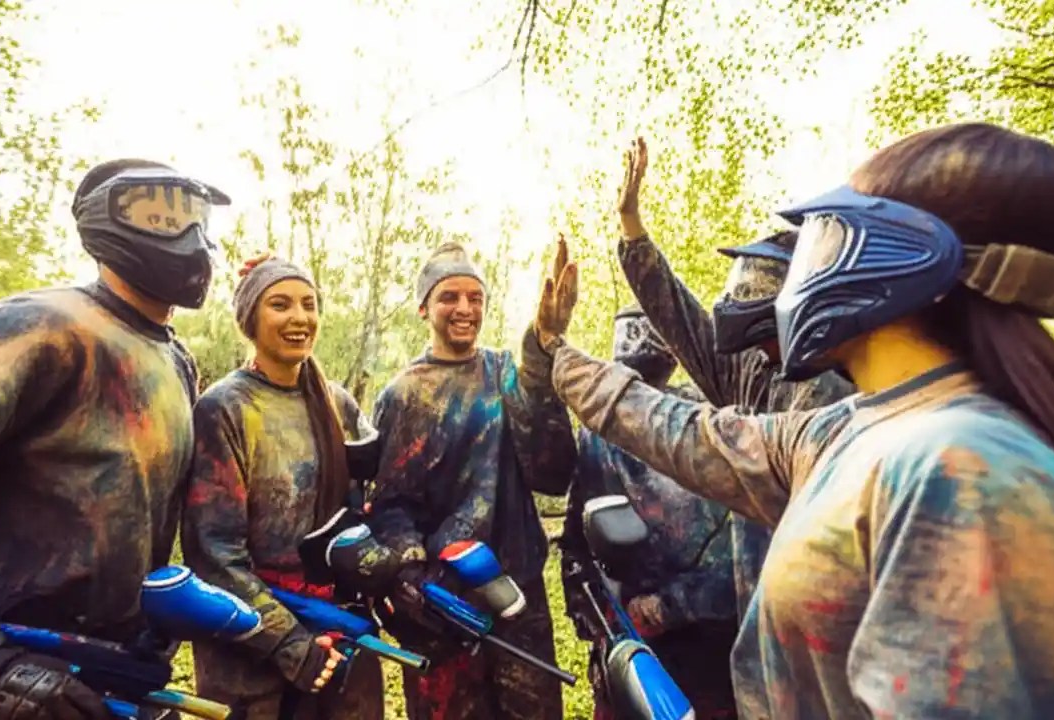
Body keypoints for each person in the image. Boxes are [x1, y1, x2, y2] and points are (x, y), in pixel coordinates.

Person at [537, 123, 1054, 717]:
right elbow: (683, 431)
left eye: (828, 236)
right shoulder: (858, 431)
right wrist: (554, 351)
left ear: (896, 254)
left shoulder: (962, 471)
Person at [0, 159, 230, 720]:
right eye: (160, 217)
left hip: (94, 678)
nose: (189, 239)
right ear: (103, 224)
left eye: (195, 220)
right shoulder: (46, 327)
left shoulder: (170, 357)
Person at [614, 136, 854, 625]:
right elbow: (681, 321)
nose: (740, 298)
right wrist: (632, 230)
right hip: (754, 616)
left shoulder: (830, 389)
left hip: (818, 620)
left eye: (758, 284)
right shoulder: (753, 369)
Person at [366, 240, 577, 720]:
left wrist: (542, 358)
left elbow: (554, 472)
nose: (464, 309)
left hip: (518, 601)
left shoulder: (506, 375)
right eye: (449, 297)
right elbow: (389, 505)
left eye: (475, 298)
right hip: (441, 607)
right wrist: (414, 576)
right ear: (424, 307)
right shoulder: (403, 395)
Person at [180, 257, 376, 720]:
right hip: (251, 645)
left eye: (309, 304)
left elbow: (366, 512)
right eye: (280, 305)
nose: (299, 318)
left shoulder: (337, 404)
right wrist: (290, 644)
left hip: (337, 635)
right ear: (251, 320)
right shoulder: (224, 408)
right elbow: (214, 557)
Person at [559, 305, 737, 719]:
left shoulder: (711, 419)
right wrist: (594, 615)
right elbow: (576, 540)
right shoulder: (597, 433)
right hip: (631, 647)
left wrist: (668, 606)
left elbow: (743, 557)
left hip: (709, 648)